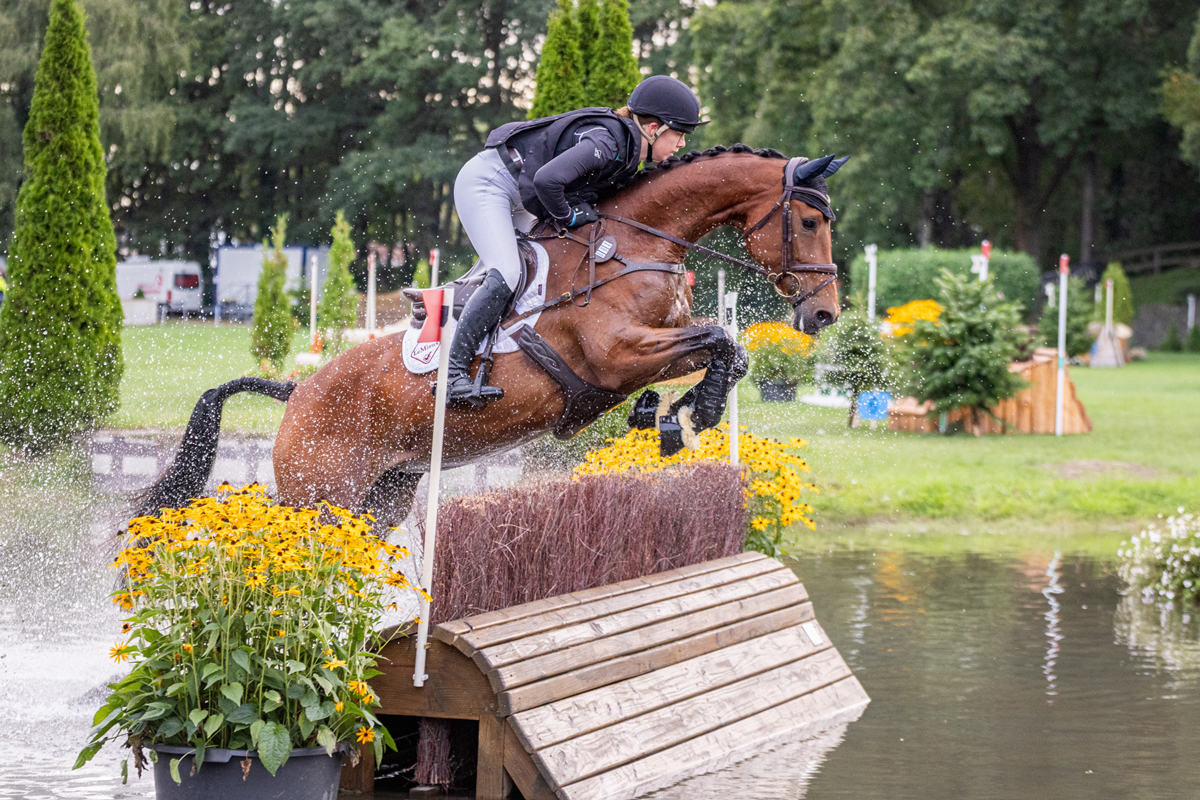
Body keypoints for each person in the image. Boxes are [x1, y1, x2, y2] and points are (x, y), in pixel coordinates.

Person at [441, 75, 708, 408]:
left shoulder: (629, 154)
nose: (681, 144)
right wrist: (568, 217)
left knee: (557, 263)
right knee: (508, 272)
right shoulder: (609, 142)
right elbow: (547, 180)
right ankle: (452, 376)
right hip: (492, 183)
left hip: (524, 194)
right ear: (653, 128)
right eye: (679, 134)